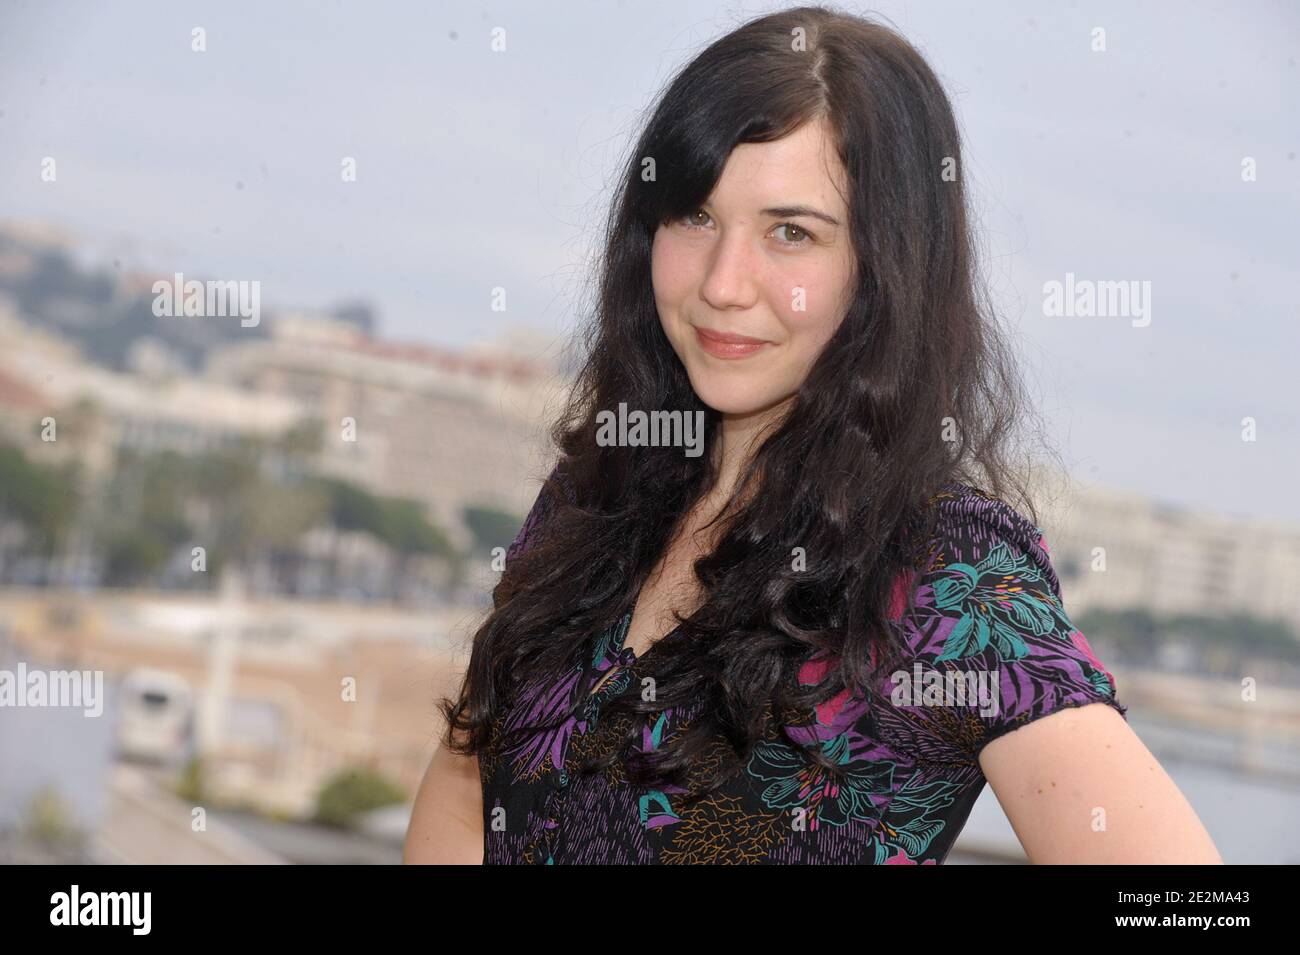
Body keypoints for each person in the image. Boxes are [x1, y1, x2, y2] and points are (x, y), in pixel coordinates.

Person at [405, 5, 1221, 865]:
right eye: (695, 217)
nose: (724, 283)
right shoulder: (596, 495)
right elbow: (468, 789)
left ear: (886, 266)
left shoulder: (944, 574)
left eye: (791, 233)